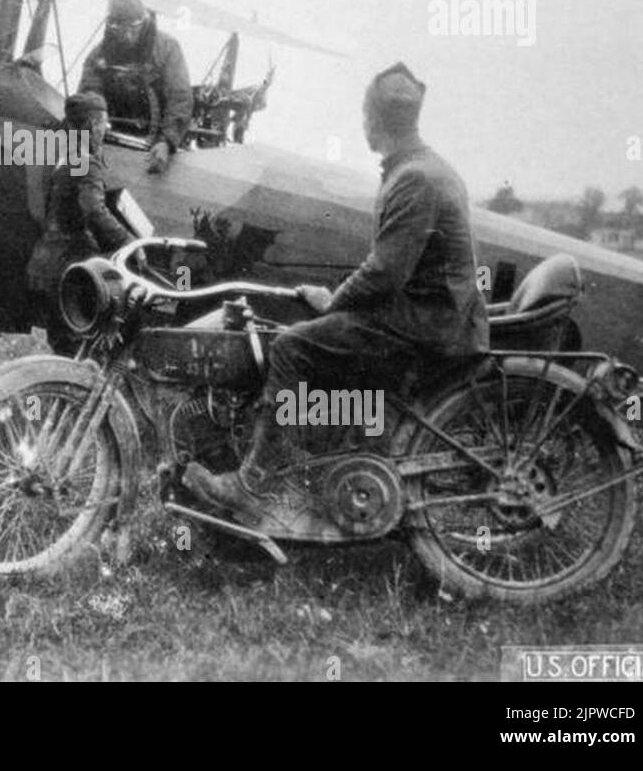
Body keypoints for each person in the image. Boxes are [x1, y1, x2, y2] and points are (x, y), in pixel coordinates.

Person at [183, 62, 489, 529]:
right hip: (432, 314)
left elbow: (385, 271)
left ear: (373, 118)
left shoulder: (414, 178)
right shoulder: (426, 169)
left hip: (425, 323)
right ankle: (317, 462)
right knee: (318, 339)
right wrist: (338, 297)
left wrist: (335, 301)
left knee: (290, 347)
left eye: (365, 115)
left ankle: (253, 486)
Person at [26, 91, 134, 353]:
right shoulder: (87, 163)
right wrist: (130, 243)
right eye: (102, 125)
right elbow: (93, 210)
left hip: (45, 265)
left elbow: (40, 209)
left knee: (63, 348)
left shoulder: (63, 158)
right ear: (90, 125)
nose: (104, 131)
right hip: (73, 270)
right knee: (83, 349)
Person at [79, 0, 192, 174]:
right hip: (112, 141)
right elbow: (89, 93)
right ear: (111, 25)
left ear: (144, 22)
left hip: (157, 145)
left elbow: (180, 98)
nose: (128, 36)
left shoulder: (167, 48)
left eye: (134, 28)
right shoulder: (98, 56)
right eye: (120, 28)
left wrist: (167, 142)